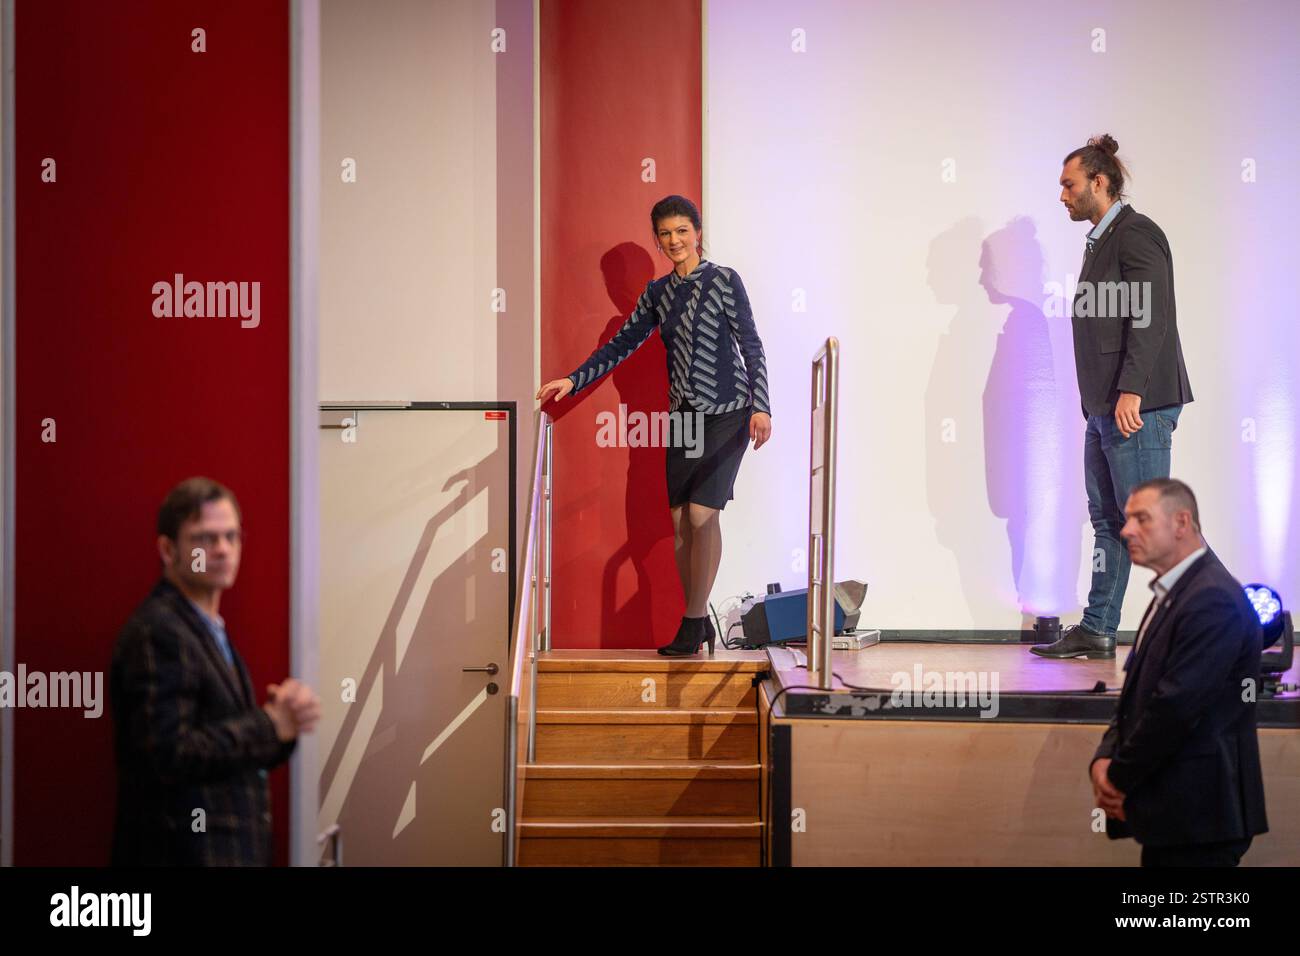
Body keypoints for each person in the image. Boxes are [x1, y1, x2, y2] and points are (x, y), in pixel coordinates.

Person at [536, 195, 772, 656]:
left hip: (727, 413)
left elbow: (751, 342)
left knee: (704, 516)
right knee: (680, 523)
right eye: (665, 234)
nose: (674, 240)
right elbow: (619, 347)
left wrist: (761, 405)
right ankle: (698, 620)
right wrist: (571, 379)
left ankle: (690, 623)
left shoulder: (724, 280)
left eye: (682, 230)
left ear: (697, 232)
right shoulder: (658, 294)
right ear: (658, 241)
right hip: (682, 420)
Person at [1033, 134, 1193, 660]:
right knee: (1111, 522)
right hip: (1107, 409)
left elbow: (1150, 317)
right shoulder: (1103, 240)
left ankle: (1205, 630)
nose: (1062, 195)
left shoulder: (1136, 234)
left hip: (1135, 409)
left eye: (1069, 184)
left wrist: (1130, 392)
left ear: (1098, 183)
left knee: (1156, 526)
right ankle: (1099, 627)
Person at [110, 477, 321, 865]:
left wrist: (284, 724)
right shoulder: (159, 630)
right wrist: (266, 726)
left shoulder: (207, 629)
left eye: (231, 536)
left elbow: (225, 755)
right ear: (168, 549)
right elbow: (166, 755)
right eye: (205, 539)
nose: (223, 549)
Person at [1090, 479, 1268, 866]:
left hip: (1202, 813)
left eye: (1141, 519)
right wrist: (1104, 757)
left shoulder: (1211, 597)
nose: (1126, 530)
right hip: (1176, 813)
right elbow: (1138, 694)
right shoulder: (1176, 592)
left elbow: (1175, 707)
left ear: (1181, 522)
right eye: (1127, 519)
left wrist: (1117, 779)